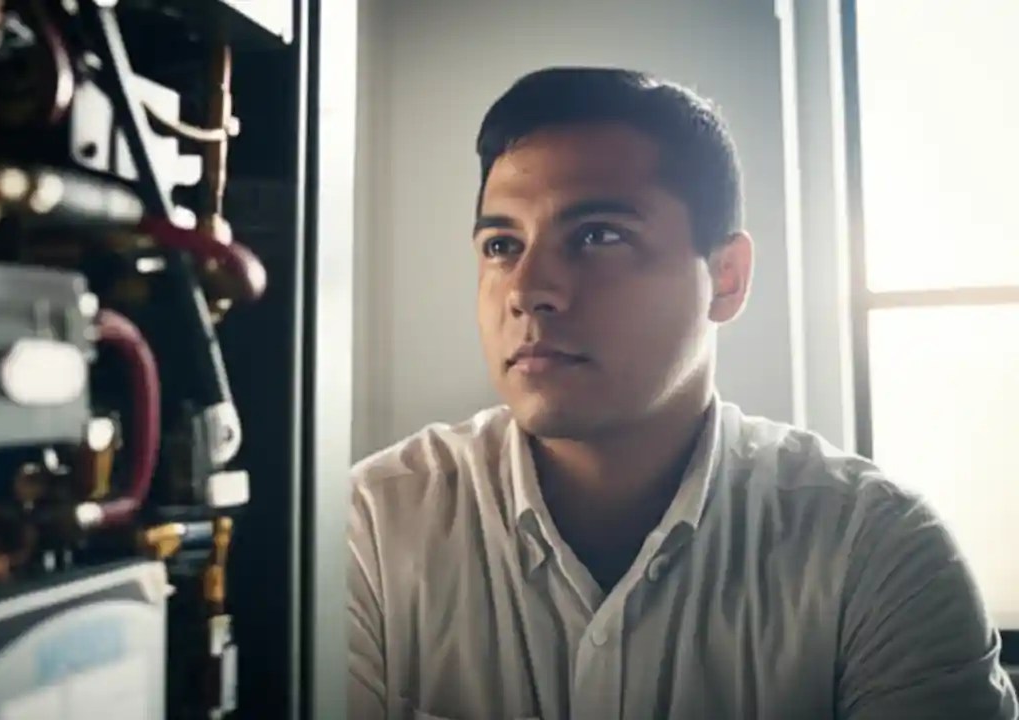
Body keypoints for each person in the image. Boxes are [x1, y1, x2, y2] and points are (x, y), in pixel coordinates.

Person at [348, 67, 1018, 720]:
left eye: (598, 236)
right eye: (502, 244)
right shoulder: (372, 528)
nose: (527, 290)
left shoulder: (878, 553)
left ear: (726, 278)